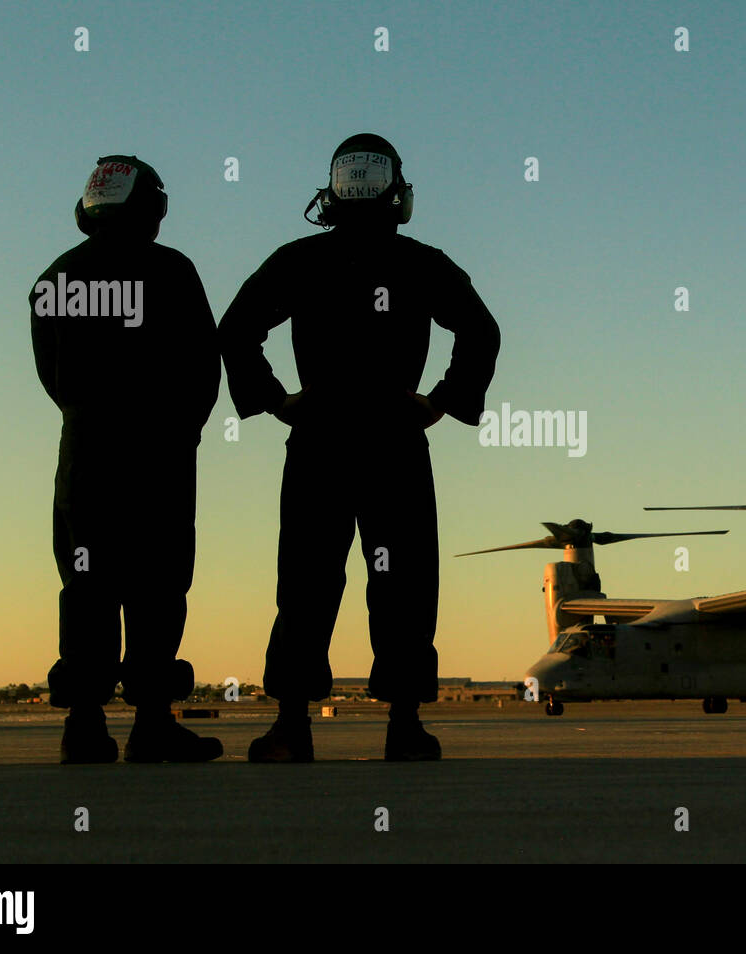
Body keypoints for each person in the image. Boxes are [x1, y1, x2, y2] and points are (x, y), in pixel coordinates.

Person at [218, 133, 500, 762]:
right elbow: (482, 331)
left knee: (306, 581)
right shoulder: (424, 263)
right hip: (395, 440)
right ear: (396, 194)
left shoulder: (297, 259)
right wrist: (441, 401)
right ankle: (404, 725)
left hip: (318, 438)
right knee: (402, 582)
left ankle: (293, 726)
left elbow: (236, 329)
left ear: (331, 195)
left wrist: (276, 400)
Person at [30, 155, 223, 763]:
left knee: (85, 586)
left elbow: (50, 374)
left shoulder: (55, 278)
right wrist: (178, 433)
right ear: (152, 209)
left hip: (85, 458)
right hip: (158, 460)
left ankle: (84, 727)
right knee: (158, 587)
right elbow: (203, 365)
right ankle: (151, 724)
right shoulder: (173, 271)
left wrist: (89, 418)